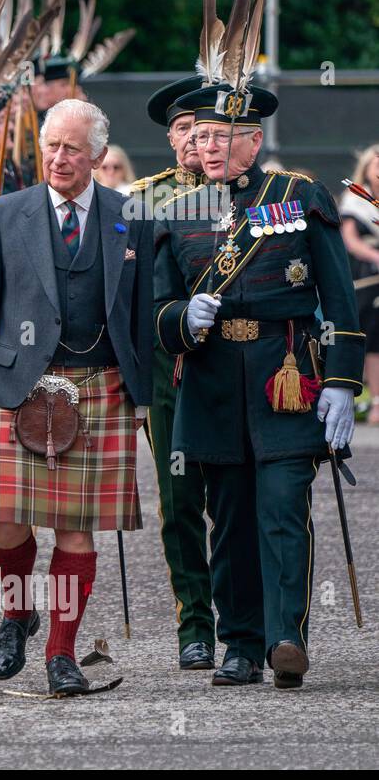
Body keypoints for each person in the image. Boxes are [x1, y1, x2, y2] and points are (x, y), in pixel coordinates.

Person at [154, 77, 364, 690]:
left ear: (253, 139)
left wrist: (342, 383)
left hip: (286, 378)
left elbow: (338, 296)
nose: (208, 147)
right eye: (200, 135)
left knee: (280, 512)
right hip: (215, 384)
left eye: (221, 136)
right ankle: (239, 644)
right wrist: (179, 322)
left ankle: (285, 636)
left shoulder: (299, 196)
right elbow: (157, 310)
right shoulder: (177, 215)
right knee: (231, 519)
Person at [0, 98, 153, 696]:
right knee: (6, 520)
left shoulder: (128, 214)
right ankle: (17, 613)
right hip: (17, 387)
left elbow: (140, 314)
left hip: (101, 387)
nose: (58, 159)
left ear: (96, 155)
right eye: (50, 147)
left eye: (71, 149)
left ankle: (60, 656)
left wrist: (143, 396)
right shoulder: (5, 213)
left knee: (76, 528)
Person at [132, 74, 216, 671]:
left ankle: (251, 615)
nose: (195, 140)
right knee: (179, 495)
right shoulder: (141, 199)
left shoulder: (254, 193)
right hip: (166, 367)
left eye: (206, 129)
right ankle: (195, 621)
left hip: (238, 357)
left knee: (242, 496)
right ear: (170, 139)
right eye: (185, 130)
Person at [337, 143, 379, 421]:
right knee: (374, 339)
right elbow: (350, 240)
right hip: (367, 276)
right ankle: (376, 401)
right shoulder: (355, 200)